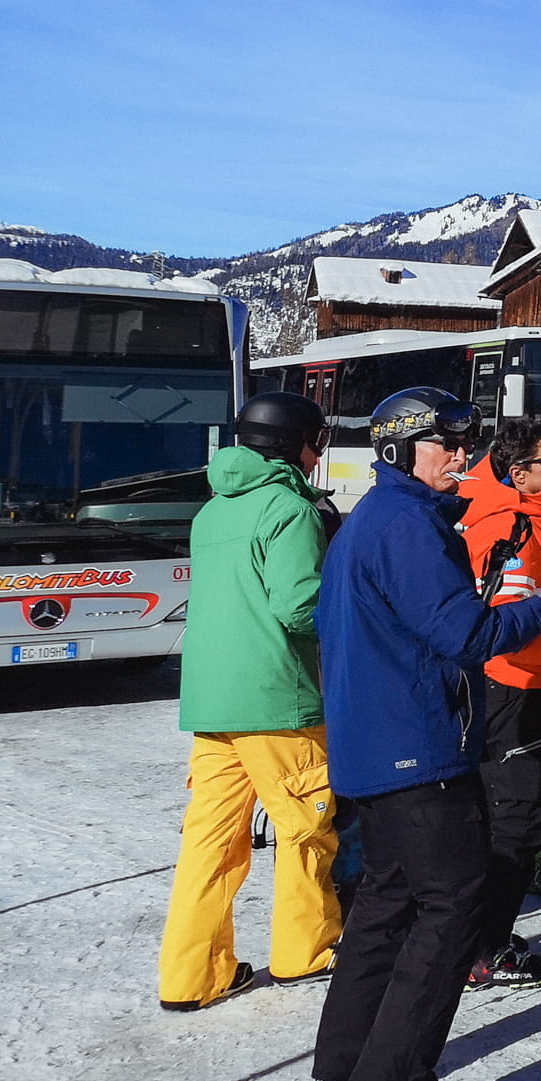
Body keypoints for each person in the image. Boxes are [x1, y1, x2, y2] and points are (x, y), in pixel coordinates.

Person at [311, 388, 541, 1081]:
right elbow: (465, 633)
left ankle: (342, 1070)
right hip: (415, 747)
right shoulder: (406, 524)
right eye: (448, 445)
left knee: (386, 907)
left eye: (464, 444)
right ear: (403, 450)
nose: (462, 458)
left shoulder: (376, 520)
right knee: (454, 904)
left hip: (377, 743)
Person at [158, 392, 340, 1013]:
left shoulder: (212, 512)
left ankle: (191, 977)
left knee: (211, 841)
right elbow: (298, 606)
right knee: (305, 826)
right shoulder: (289, 509)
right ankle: (304, 952)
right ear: (299, 445)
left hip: (212, 700)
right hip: (276, 697)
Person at [456, 417, 541, 991]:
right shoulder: (508, 525)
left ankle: (484, 935)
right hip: (514, 685)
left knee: (521, 814)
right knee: (515, 819)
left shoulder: (533, 516)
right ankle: (484, 945)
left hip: (536, 681)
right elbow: (501, 620)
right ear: (519, 473)